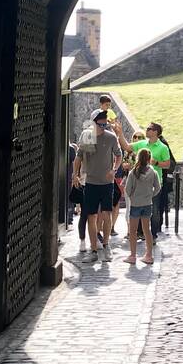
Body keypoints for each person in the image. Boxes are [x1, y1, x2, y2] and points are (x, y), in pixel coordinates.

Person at [78, 110, 121, 261]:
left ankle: (107, 245)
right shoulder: (88, 136)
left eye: (105, 124)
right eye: (101, 124)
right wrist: (75, 175)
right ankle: (94, 250)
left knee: (106, 214)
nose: (103, 127)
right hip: (91, 182)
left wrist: (114, 170)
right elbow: (79, 156)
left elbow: (119, 154)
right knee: (91, 216)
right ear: (94, 123)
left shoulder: (110, 137)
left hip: (106, 183)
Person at [128, 122, 172, 242]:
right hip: (139, 184)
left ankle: (153, 235)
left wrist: (156, 162)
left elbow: (168, 164)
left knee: (155, 210)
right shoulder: (142, 143)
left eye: (149, 129)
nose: (146, 130)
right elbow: (127, 147)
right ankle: (141, 232)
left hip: (154, 184)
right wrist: (119, 133)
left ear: (156, 132)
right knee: (139, 208)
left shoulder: (163, 147)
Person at [123, 148, 162, 265]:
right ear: (149, 159)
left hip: (135, 204)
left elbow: (127, 189)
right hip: (147, 203)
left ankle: (133, 255)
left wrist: (132, 197)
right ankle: (149, 255)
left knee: (133, 231)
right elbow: (158, 188)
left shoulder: (133, 173)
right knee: (147, 230)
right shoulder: (153, 172)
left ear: (138, 158)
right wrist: (150, 195)